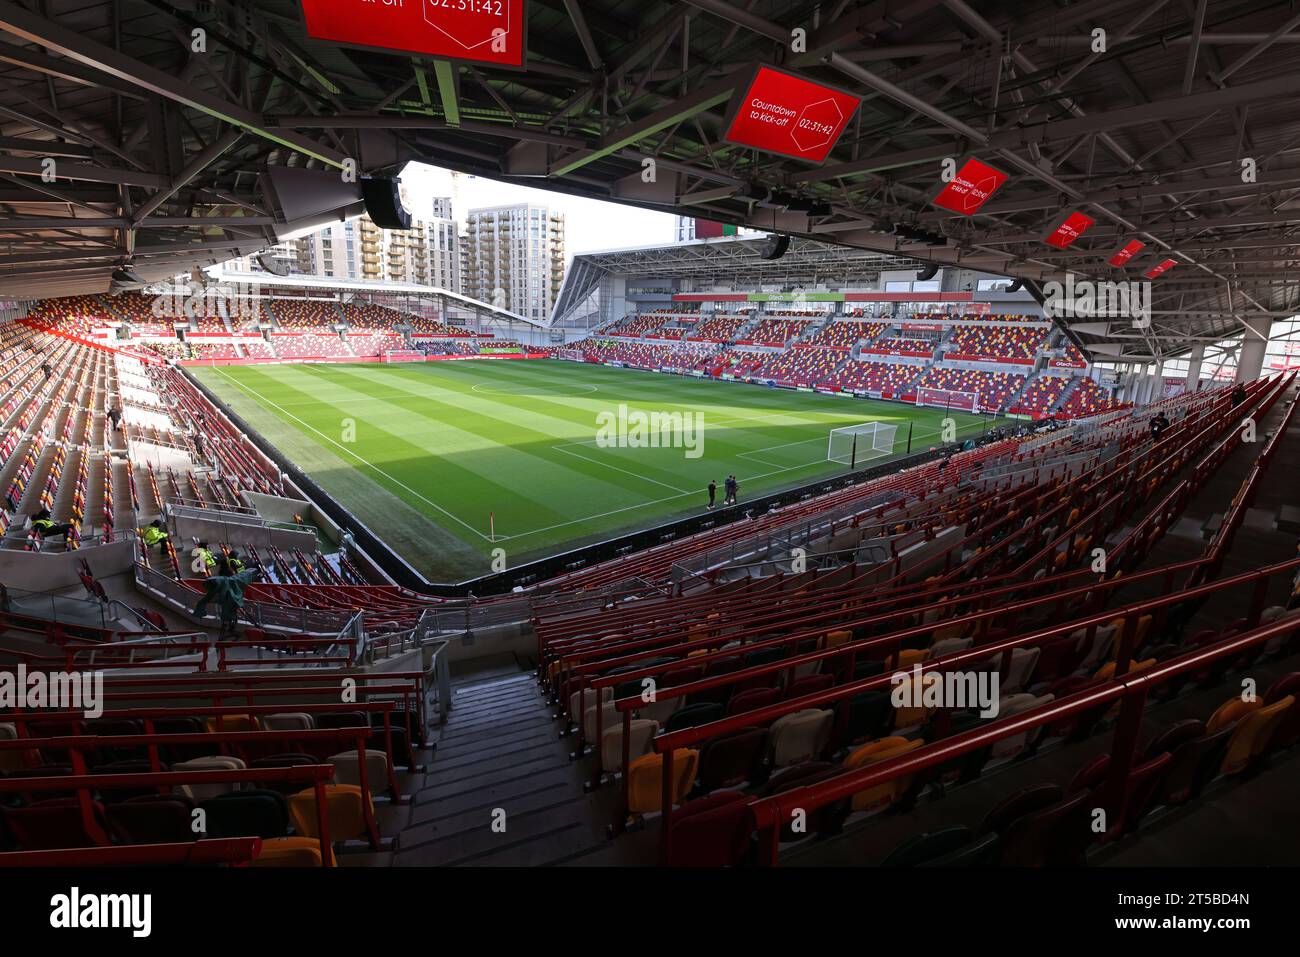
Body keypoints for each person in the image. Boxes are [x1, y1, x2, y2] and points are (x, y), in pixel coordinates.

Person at [193, 560, 261, 640]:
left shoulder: (222, 585)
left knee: (228, 616)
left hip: (229, 600)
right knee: (229, 615)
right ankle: (229, 629)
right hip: (229, 602)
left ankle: (228, 628)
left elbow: (207, 598)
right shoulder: (224, 585)